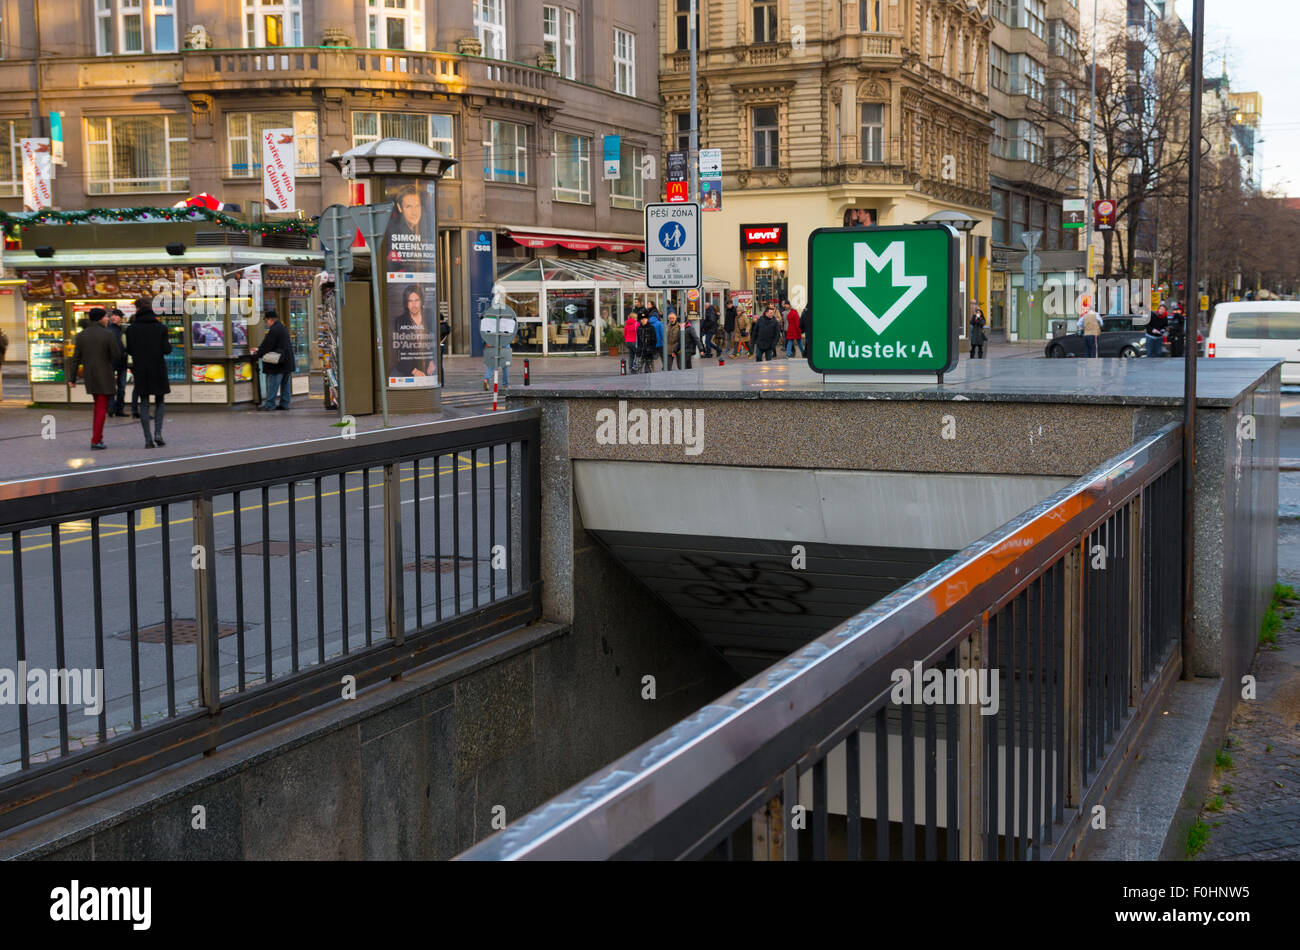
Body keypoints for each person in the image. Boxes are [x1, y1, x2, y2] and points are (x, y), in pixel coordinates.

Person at [65, 307, 120, 450]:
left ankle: (97, 438)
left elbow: (75, 358)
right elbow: (116, 356)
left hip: (90, 376)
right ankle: (96, 440)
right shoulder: (108, 334)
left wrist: (72, 378)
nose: (107, 319)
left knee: (98, 406)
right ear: (100, 319)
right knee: (101, 408)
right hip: (104, 375)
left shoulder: (82, 335)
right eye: (106, 317)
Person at [125, 298, 172, 448]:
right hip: (158, 368)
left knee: (144, 402)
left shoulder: (131, 329)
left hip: (140, 369)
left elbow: (130, 350)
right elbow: (167, 350)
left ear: (138, 309)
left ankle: (148, 439)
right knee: (160, 400)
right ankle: (158, 434)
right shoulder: (160, 327)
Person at [390, 284, 437, 381]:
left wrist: (432, 361)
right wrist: (414, 371)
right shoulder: (400, 321)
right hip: (407, 368)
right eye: (410, 301)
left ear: (421, 301)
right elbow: (400, 351)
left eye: (416, 300)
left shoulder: (430, 316)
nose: (414, 304)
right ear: (406, 304)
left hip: (426, 366)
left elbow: (434, 341)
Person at [251, 309, 295, 410]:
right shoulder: (282, 328)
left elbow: (267, 345)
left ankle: (270, 404)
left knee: (273, 384)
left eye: (266, 321)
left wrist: (258, 352)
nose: (267, 324)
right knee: (285, 384)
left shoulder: (274, 330)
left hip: (278, 363)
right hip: (286, 362)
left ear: (270, 320)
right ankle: (284, 403)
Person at [107, 309, 128, 416]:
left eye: (116, 316)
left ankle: (118, 409)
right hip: (112, 362)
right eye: (112, 315)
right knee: (115, 387)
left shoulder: (123, 329)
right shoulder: (109, 330)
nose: (113, 317)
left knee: (121, 387)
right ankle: (112, 408)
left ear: (120, 317)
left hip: (121, 363)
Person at [648, 305, 665, 370]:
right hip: (660, 343)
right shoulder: (659, 323)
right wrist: (663, 340)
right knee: (663, 356)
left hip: (652, 343)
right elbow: (662, 333)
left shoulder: (648, 323)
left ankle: (651, 368)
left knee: (650, 357)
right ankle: (665, 366)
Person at [624, 304, 640, 368]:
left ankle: (630, 367)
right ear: (635, 318)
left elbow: (625, 334)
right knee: (638, 354)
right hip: (634, 342)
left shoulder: (626, 324)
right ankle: (636, 367)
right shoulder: (637, 324)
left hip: (628, 342)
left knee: (631, 355)